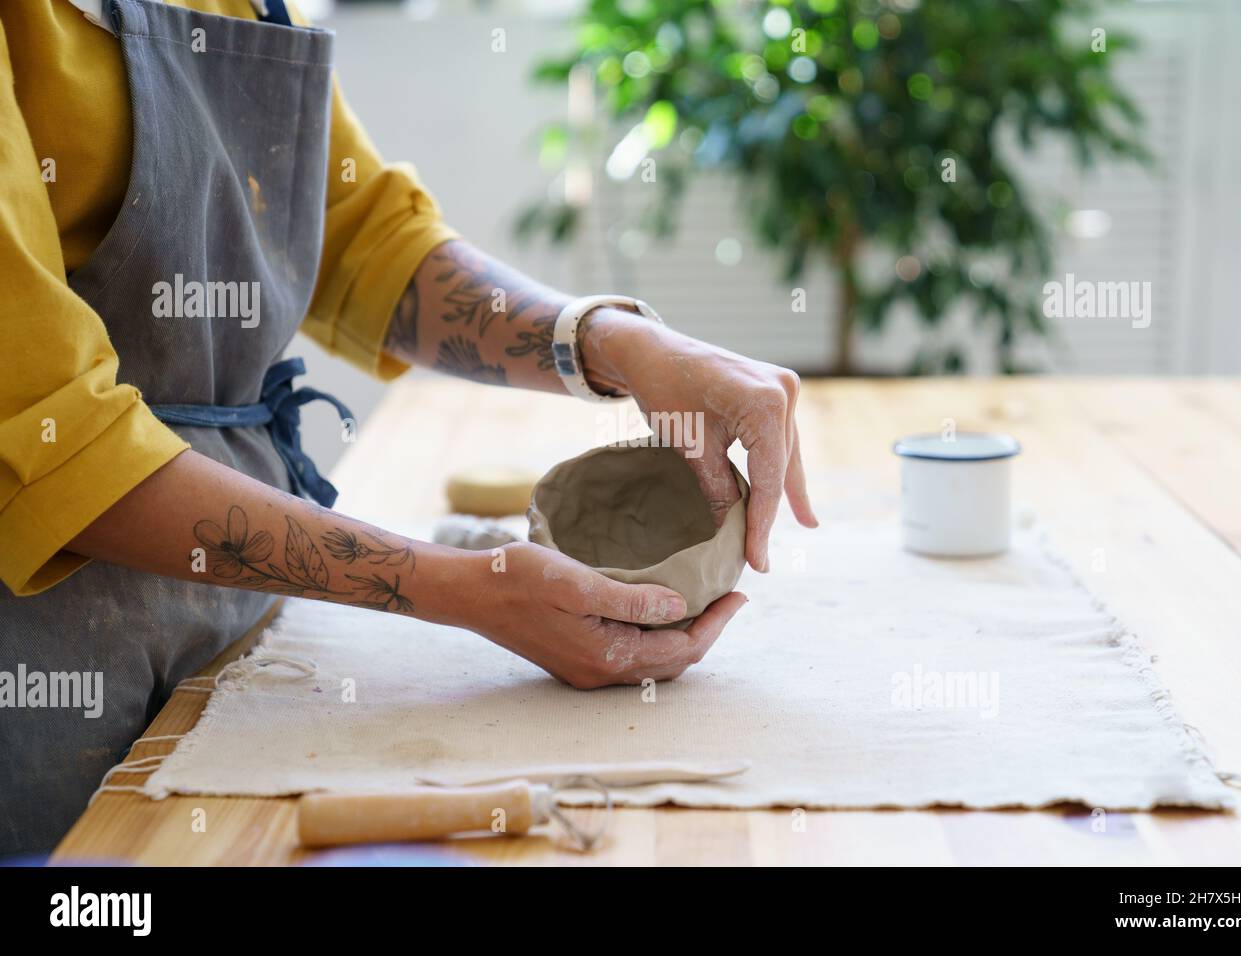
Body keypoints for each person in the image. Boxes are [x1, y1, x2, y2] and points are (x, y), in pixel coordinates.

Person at [0, 0, 818, 856]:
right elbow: (60, 446)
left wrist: (615, 341)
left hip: (234, 634)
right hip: (50, 663)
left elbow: (362, 238)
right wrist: (467, 588)